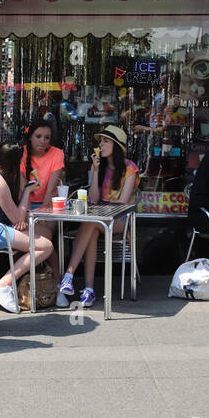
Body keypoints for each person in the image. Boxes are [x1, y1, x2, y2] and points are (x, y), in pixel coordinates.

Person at [0, 143, 54, 313]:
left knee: (46, 232)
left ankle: (38, 284)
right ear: (19, 162)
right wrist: (28, 191)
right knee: (46, 246)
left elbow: (14, 217)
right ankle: (4, 284)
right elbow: (17, 218)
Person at [58, 125, 140, 307]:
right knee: (92, 229)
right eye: (100, 141)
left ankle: (69, 275)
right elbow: (94, 199)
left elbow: (124, 203)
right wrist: (95, 172)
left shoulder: (130, 168)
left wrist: (100, 210)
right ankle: (89, 290)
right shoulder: (100, 166)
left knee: (91, 223)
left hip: (120, 220)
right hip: (99, 220)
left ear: (116, 146)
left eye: (105, 141)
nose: (100, 145)